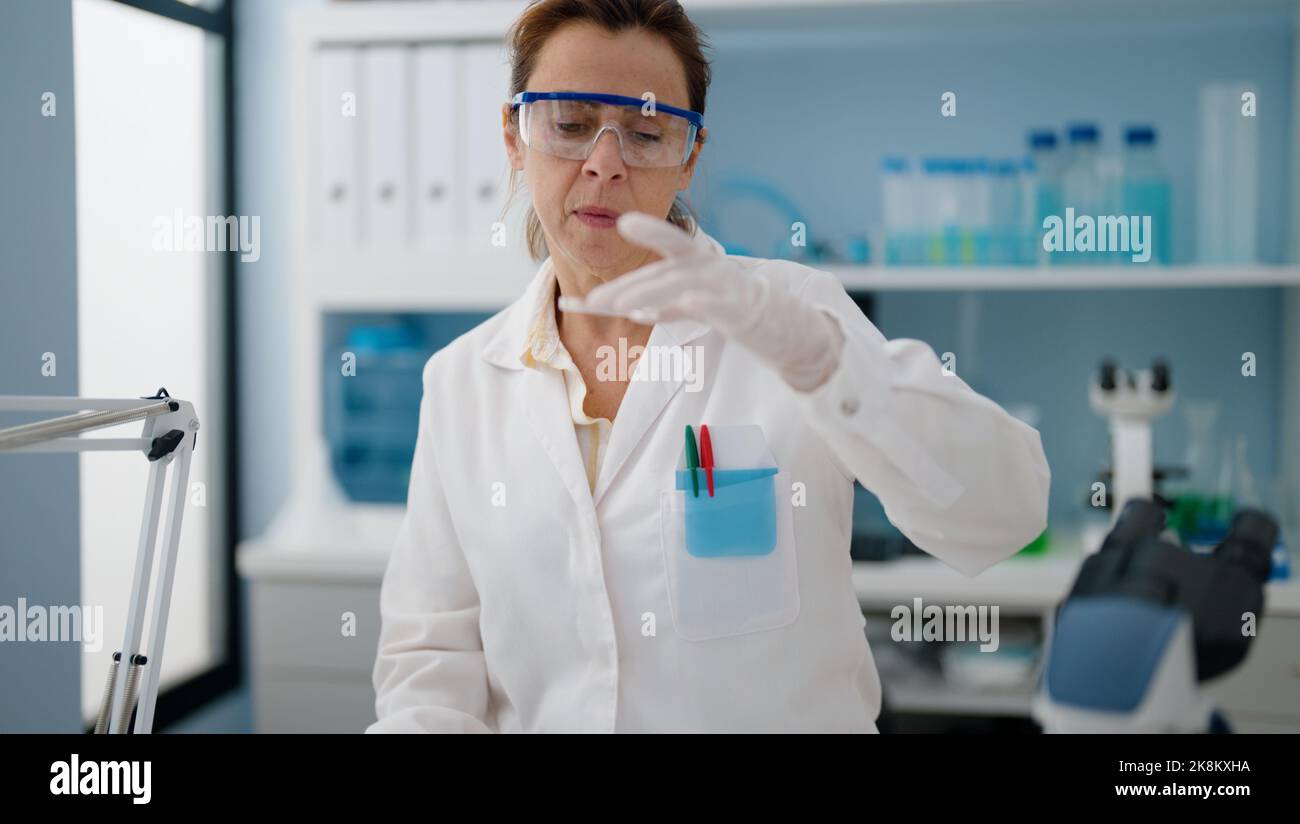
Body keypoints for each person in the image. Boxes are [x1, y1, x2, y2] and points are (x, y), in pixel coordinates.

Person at [368, 0, 1050, 733]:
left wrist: (828, 367)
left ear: (688, 155)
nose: (604, 161)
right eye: (569, 125)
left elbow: (1002, 515)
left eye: (646, 131)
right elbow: (430, 660)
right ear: (514, 135)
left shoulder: (792, 318)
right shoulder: (462, 382)